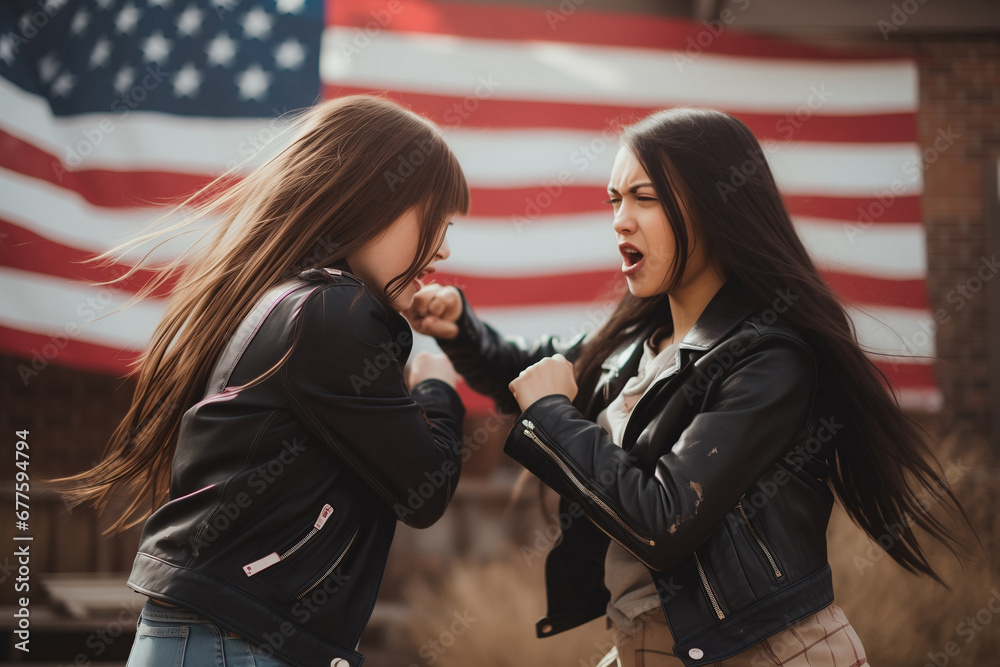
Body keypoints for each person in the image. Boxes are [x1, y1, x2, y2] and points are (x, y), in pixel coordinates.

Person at [408, 107, 971, 666]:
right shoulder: (637, 344)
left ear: (715, 205)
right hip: (653, 641)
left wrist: (553, 414)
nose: (619, 220)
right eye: (615, 200)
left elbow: (664, 519)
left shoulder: (770, 358)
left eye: (644, 198)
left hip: (764, 649)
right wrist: (463, 330)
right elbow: (531, 370)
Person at [55, 95, 469, 667]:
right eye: (436, 217)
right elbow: (426, 486)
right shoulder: (333, 314)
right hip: (238, 643)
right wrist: (436, 386)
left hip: (219, 637)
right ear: (373, 197)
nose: (444, 246)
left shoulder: (292, 302)